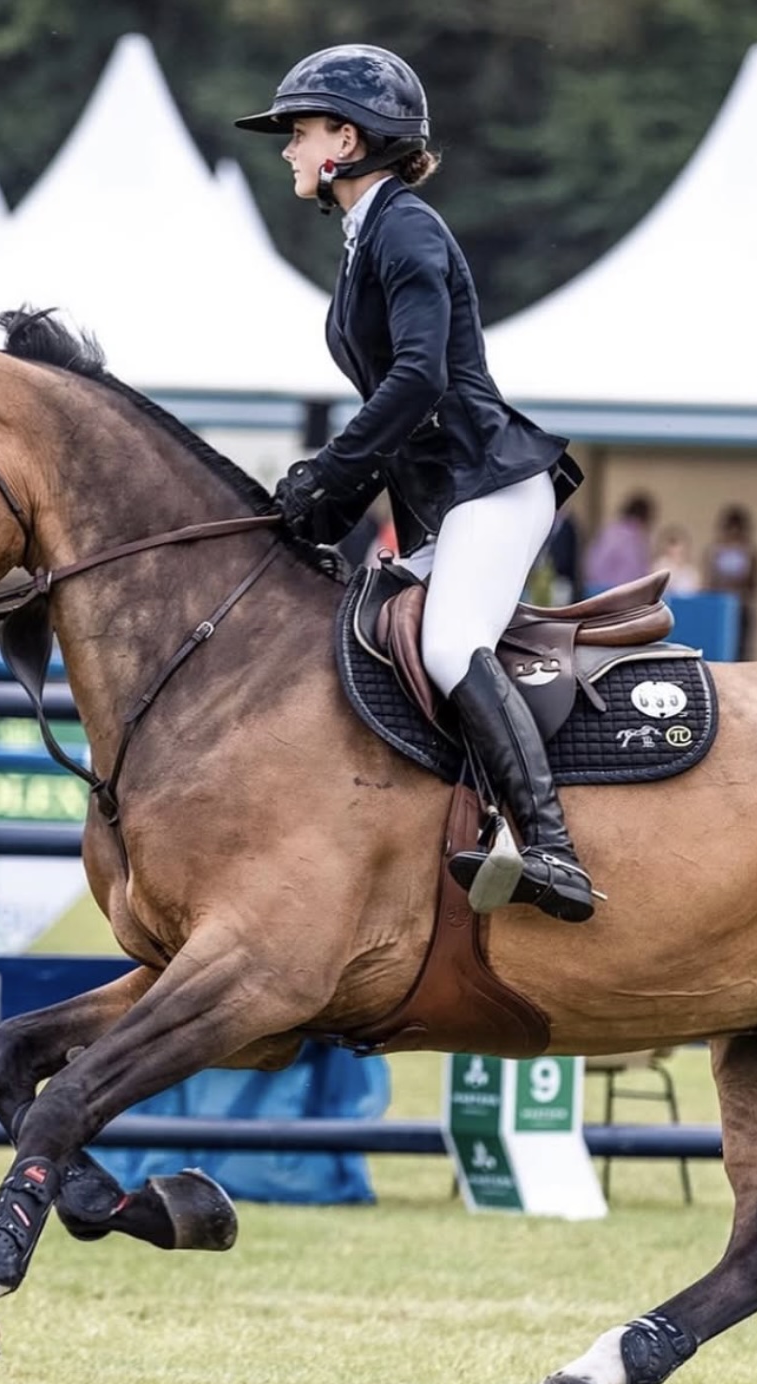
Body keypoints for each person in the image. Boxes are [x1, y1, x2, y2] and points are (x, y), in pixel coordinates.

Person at [236, 44, 594, 922]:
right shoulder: (368, 237)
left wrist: (329, 472)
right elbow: (395, 413)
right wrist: (327, 509)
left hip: (492, 484)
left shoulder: (406, 227)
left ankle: (551, 850)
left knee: (446, 643)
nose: (287, 148)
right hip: (446, 496)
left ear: (346, 141)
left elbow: (420, 381)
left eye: (299, 131)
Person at [702, 504, 757, 661]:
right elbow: (709, 580)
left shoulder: (750, 552)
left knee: (741, 651)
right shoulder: (715, 551)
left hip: (742, 607)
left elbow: (754, 584)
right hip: (719, 607)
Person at [582, 493, 656, 593]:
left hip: (606, 592)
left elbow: (592, 564)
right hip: (614, 593)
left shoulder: (612, 532)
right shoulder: (631, 539)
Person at [651, 524, 701, 595]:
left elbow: (696, 591)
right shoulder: (660, 566)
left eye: (681, 552)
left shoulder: (691, 571)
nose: (677, 552)